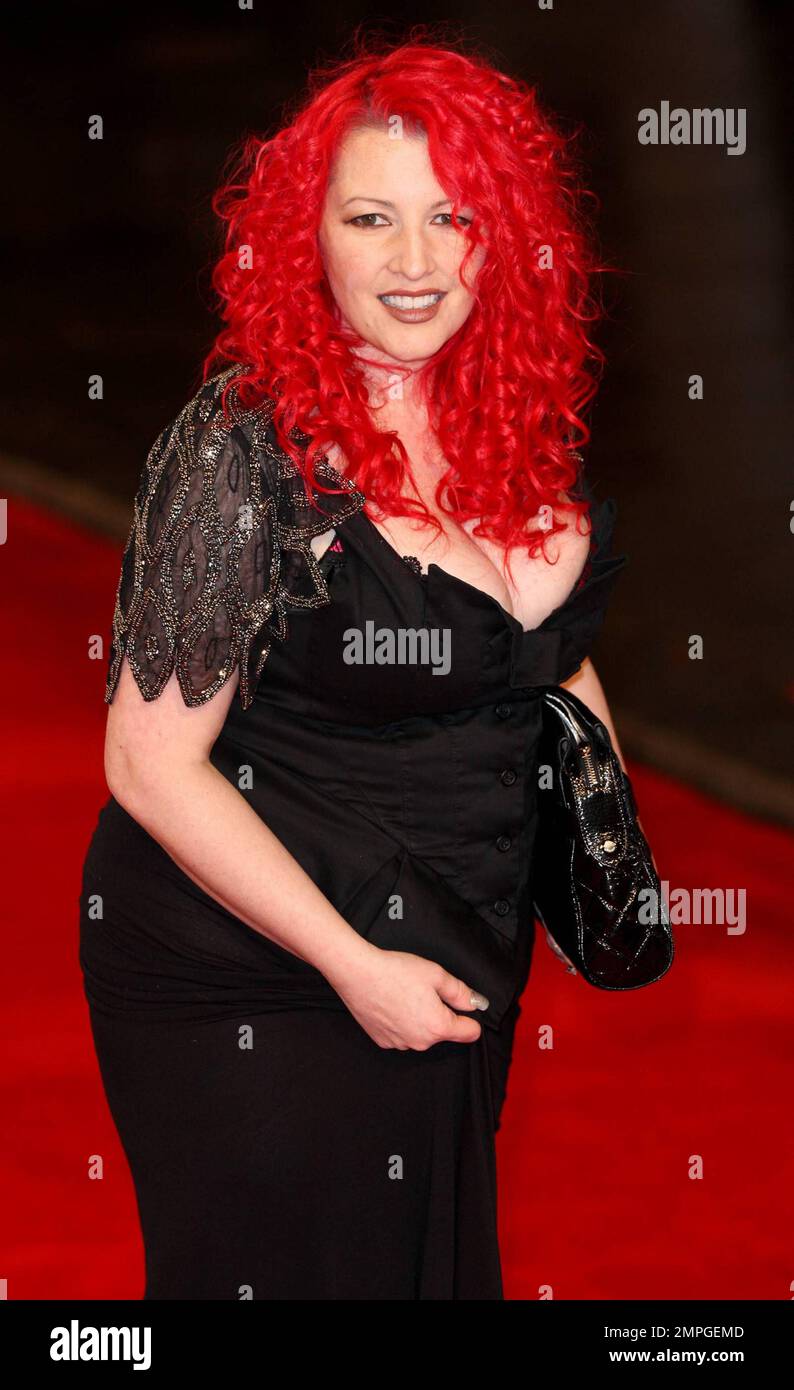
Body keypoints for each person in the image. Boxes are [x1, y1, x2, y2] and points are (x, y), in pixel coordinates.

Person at [79, 37, 629, 1300]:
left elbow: (533, 655)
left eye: (451, 217)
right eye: (371, 218)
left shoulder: (512, 427)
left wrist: (601, 830)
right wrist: (349, 963)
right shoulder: (248, 452)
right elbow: (147, 764)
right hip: (262, 963)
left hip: (448, 956)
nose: (415, 260)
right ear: (306, 238)